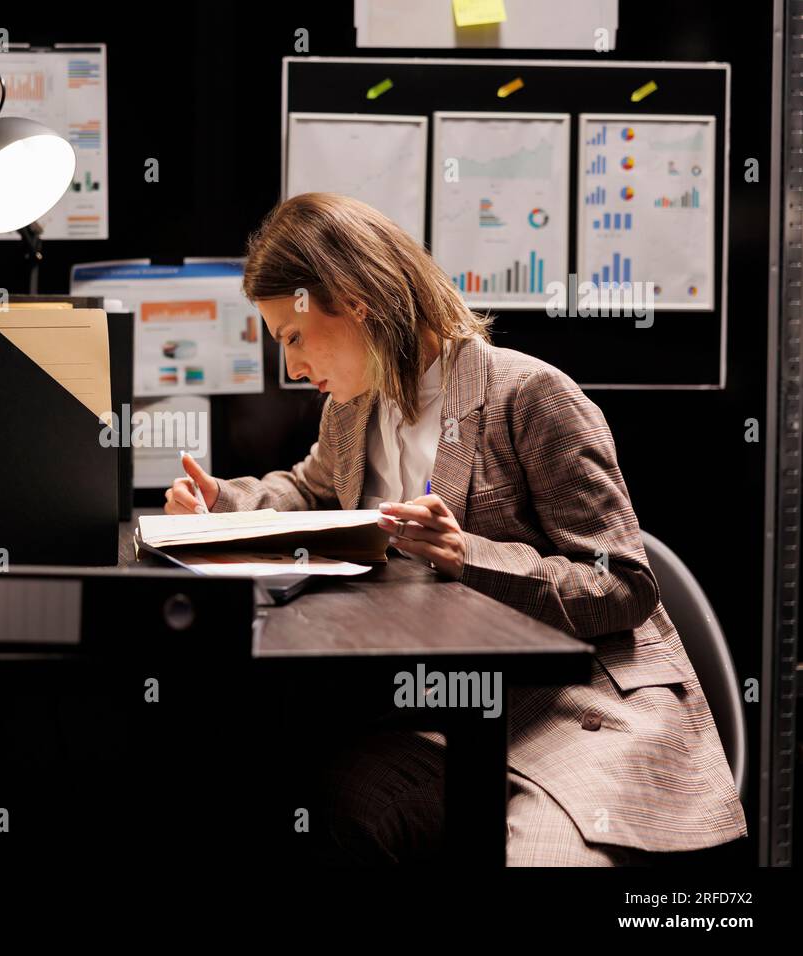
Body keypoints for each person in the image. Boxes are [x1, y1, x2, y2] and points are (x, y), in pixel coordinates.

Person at [164, 192, 746, 865]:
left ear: (355, 300)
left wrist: (466, 554)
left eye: (292, 337)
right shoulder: (354, 409)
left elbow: (623, 585)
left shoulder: (529, 395)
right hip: (447, 716)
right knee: (303, 811)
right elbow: (310, 490)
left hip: (576, 712)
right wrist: (220, 502)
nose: (291, 367)